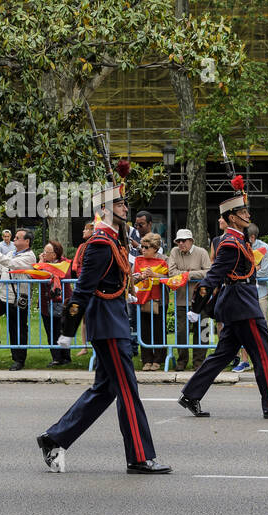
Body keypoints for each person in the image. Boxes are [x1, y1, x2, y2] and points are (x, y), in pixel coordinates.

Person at [37, 177, 171, 474]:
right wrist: (67, 331)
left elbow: (117, 278)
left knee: (105, 390)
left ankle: (54, 438)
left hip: (114, 319)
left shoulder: (114, 239)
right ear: (106, 210)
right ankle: (139, 456)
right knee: (127, 389)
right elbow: (84, 288)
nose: (125, 207)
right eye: (119, 204)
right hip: (107, 324)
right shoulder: (100, 242)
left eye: (124, 202)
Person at [178, 179, 268, 419]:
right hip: (242, 305)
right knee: (264, 353)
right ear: (232, 218)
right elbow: (213, 276)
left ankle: (190, 394)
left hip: (237, 303)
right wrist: (196, 307)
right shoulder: (231, 243)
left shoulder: (239, 239)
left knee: (222, 354)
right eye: (242, 212)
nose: (247, 214)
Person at [0, 228, 36, 371]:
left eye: (17, 237)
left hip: (19, 298)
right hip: (3, 295)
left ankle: (19, 360)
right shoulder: (10, 253)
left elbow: (11, 264)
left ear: (26, 241)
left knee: (18, 329)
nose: (14, 239)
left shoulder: (29, 257)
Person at [167, 229, 210, 367]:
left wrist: (188, 275)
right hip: (181, 299)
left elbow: (209, 272)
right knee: (181, 332)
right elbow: (171, 273)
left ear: (191, 241)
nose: (181, 243)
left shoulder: (202, 252)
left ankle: (199, 362)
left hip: (201, 299)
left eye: (184, 240)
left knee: (203, 331)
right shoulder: (174, 252)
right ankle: (182, 361)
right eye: (178, 241)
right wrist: (190, 273)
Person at [234, 223, 268, 372]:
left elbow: (265, 273)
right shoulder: (240, 246)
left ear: (252, 237)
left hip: (260, 293)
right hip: (244, 293)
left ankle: (264, 359)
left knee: (261, 328)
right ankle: (244, 361)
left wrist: (250, 273)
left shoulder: (264, 248)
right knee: (244, 326)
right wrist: (252, 271)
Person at [130, 232, 168, 370]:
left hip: (159, 300)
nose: (143, 250)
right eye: (142, 247)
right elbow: (132, 277)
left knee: (158, 330)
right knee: (144, 329)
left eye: (146, 247)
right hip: (142, 299)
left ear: (155, 249)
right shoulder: (138, 260)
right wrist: (140, 276)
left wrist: (154, 275)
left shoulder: (164, 259)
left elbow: (169, 277)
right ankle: (146, 359)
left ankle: (158, 359)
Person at [38, 240, 71, 367]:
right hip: (46, 303)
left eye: (47, 252)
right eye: (44, 251)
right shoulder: (42, 263)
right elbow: (38, 276)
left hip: (63, 302)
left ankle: (66, 357)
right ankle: (56, 357)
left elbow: (64, 275)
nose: (44, 254)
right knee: (50, 331)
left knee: (62, 330)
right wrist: (41, 263)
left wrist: (48, 271)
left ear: (55, 254)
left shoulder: (65, 263)